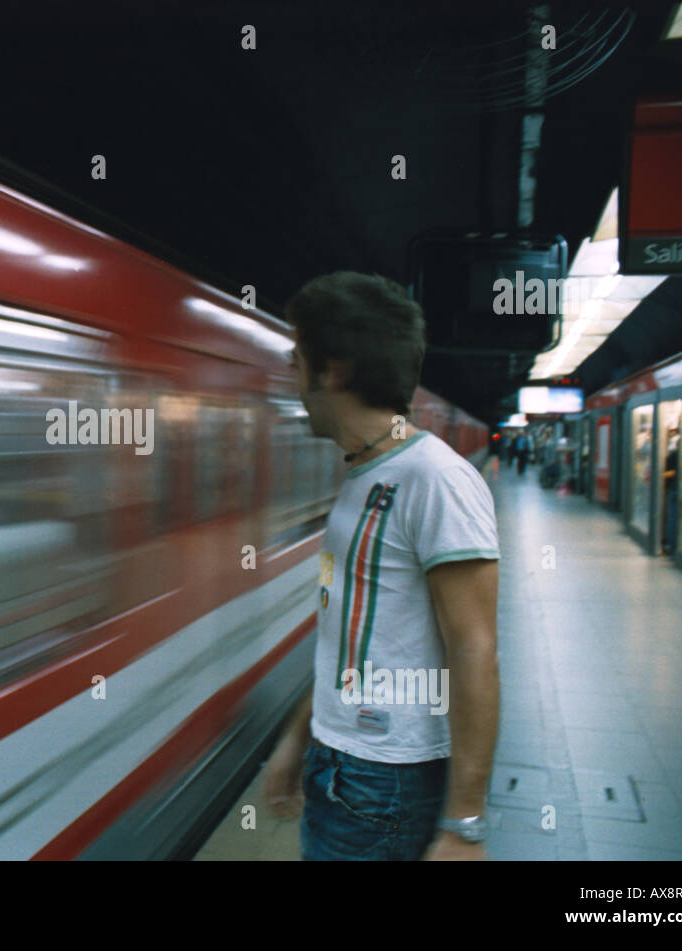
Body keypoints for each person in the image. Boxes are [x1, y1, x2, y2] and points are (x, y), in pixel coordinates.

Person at [263, 272, 500, 861]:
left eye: (298, 362)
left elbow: (476, 651)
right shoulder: (362, 474)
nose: (291, 379)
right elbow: (343, 635)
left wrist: (463, 825)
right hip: (338, 764)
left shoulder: (436, 480)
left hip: (386, 780)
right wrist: (299, 740)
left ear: (335, 371)